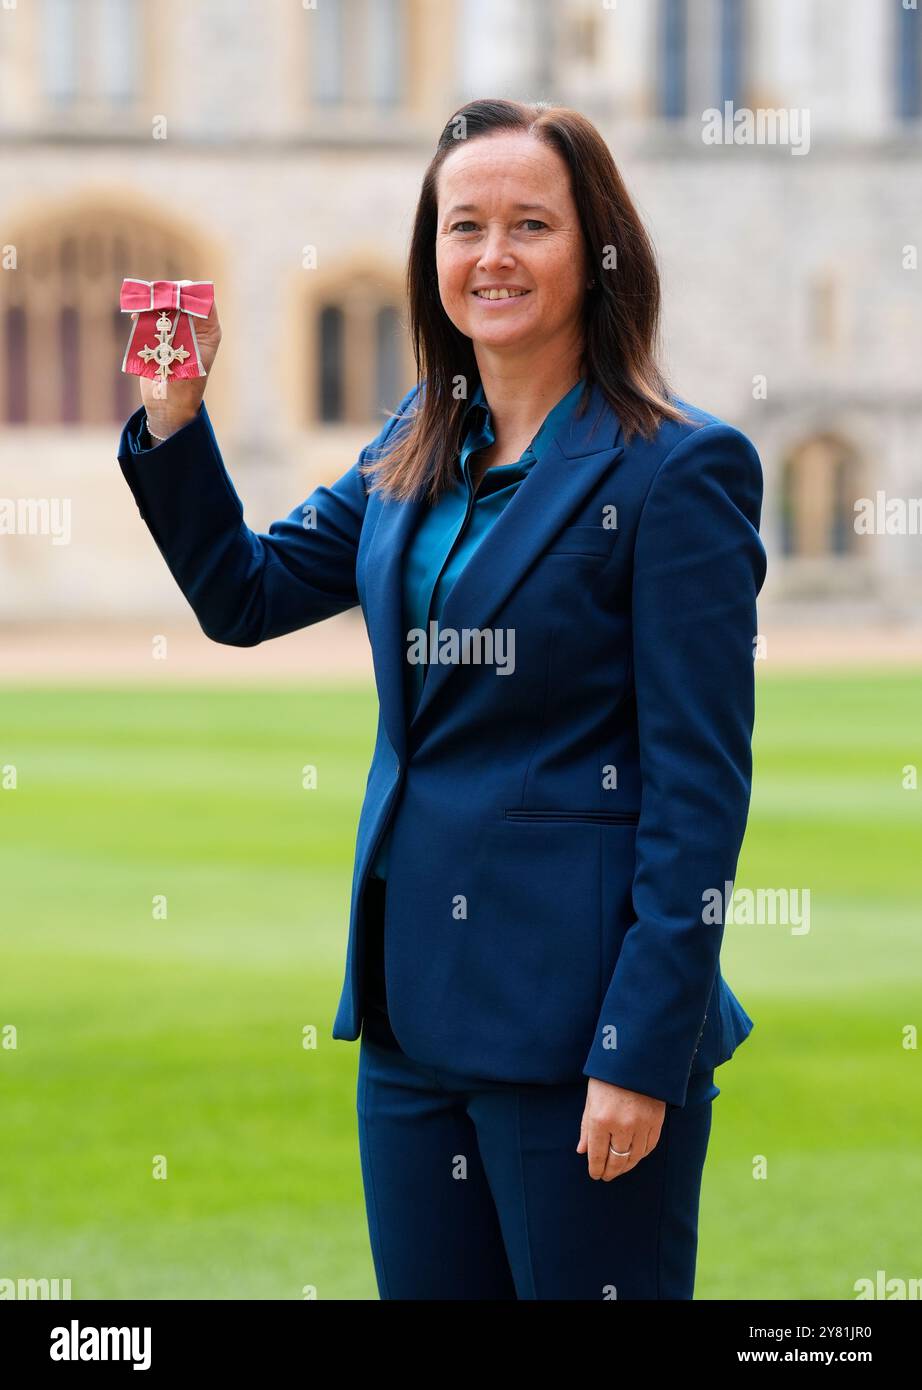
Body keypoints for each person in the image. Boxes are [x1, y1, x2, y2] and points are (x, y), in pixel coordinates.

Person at [116, 98, 766, 1300]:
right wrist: (173, 421)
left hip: (577, 1031)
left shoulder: (678, 468)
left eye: (531, 223)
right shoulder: (415, 440)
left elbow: (698, 788)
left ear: (600, 250)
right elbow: (243, 593)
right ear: (432, 257)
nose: (492, 254)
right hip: (411, 1022)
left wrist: (639, 1047)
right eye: (463, 225)